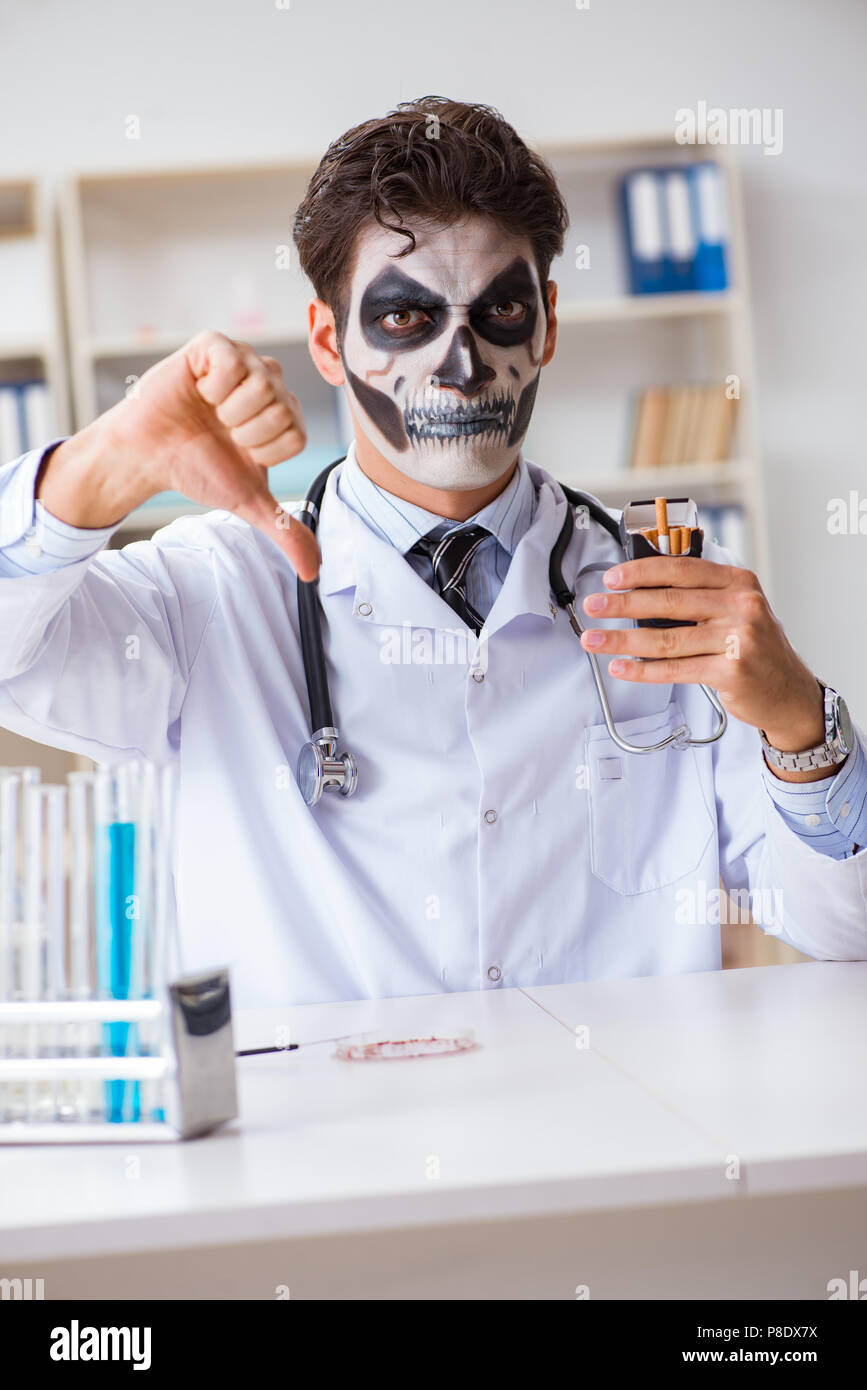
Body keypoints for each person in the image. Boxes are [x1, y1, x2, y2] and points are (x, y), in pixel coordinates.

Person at [0, 96, 864, 1008]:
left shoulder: (668, 589)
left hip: (617, 1137)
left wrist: (801, 727)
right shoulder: (204, 592)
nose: (461, 365)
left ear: (547, 325)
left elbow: (843, 932)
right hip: (326, 1146)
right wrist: (99, 466)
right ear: (329, 343)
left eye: (498, 309)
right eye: (408, 318)